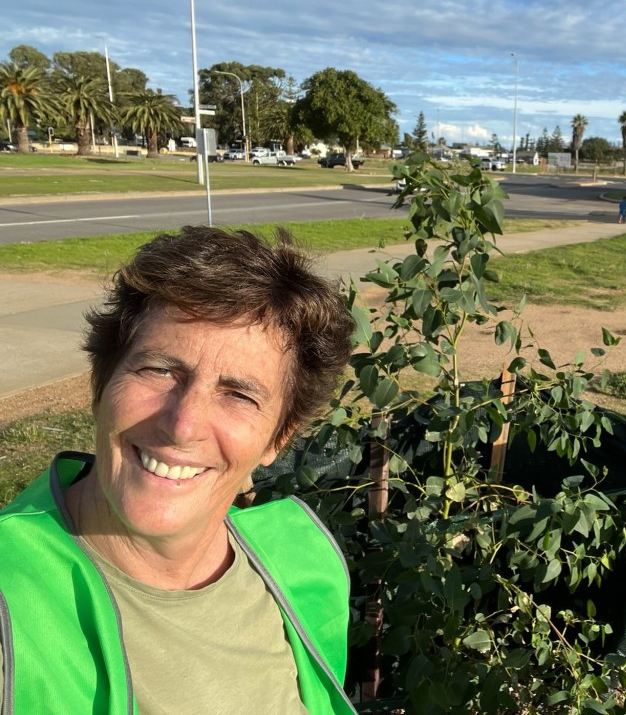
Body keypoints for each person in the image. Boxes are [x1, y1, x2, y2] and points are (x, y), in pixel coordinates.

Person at [0, 226, 358, 713]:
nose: (184, 425)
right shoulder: (10, 596)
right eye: (160, 369)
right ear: (100, 384)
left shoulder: (304, 569)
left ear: (279, 437)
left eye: (238, 394)